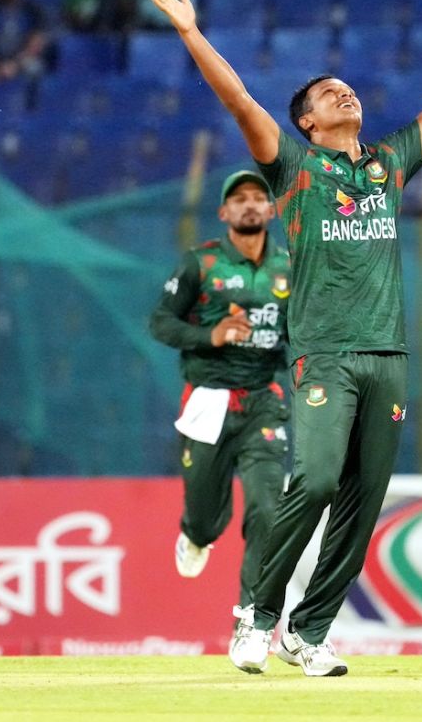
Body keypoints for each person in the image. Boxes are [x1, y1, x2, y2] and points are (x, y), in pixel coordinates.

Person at [141, 0, 422, 677]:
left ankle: (308, 630)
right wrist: (191, 32)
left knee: (362, 501)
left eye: (344, 87)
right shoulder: (292, 167)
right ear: (308, 123)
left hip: (389, 354)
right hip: (322, 353)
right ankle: (255, 616)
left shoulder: (388, 164)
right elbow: (236, 97)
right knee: (315, 480)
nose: (341, 92)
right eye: (325, 95)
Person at [149, 170, 292, 610]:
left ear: (271, 211)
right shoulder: (201, 263)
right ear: (223, 212)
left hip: (264, 401)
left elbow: (302, 330)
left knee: (269, 511)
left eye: (257, 198)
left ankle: (250, 621)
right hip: (208, 399)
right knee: (207, 517)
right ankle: (196, 534)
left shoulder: (290, 266)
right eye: (239, 199)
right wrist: (211, 336)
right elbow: (160, 323)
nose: (249, 204)